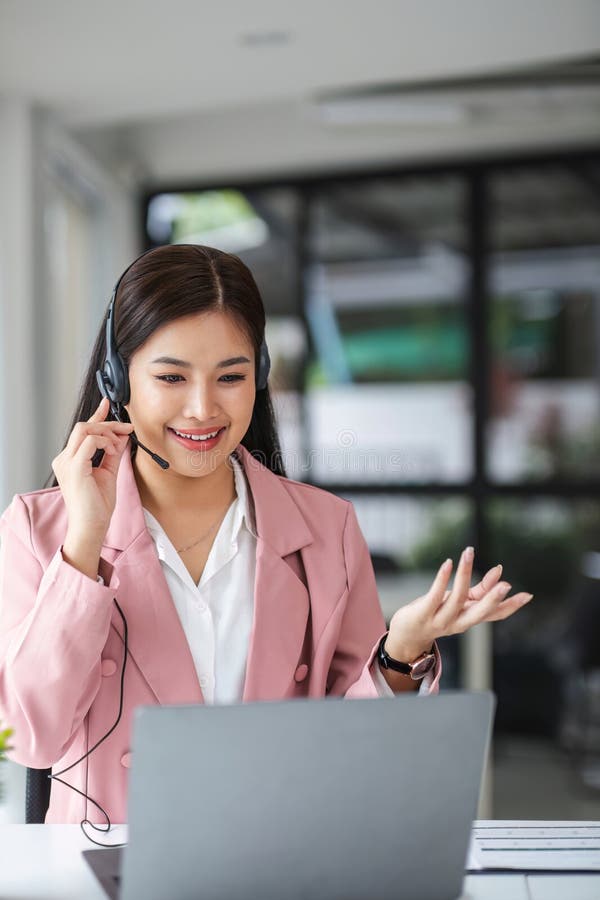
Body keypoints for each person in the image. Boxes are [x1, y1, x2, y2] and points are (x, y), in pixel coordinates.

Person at [0, 244, 532, 826]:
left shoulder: (327, 529)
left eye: (231, 376)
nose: (203, 409)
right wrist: (84, 544)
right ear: (117, 377)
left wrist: (399, 653)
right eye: (171, 376)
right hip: (103, 875)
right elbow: (30, 737)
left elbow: (353, 755)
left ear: (261, 375)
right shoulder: (38, 528)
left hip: (280, 863)